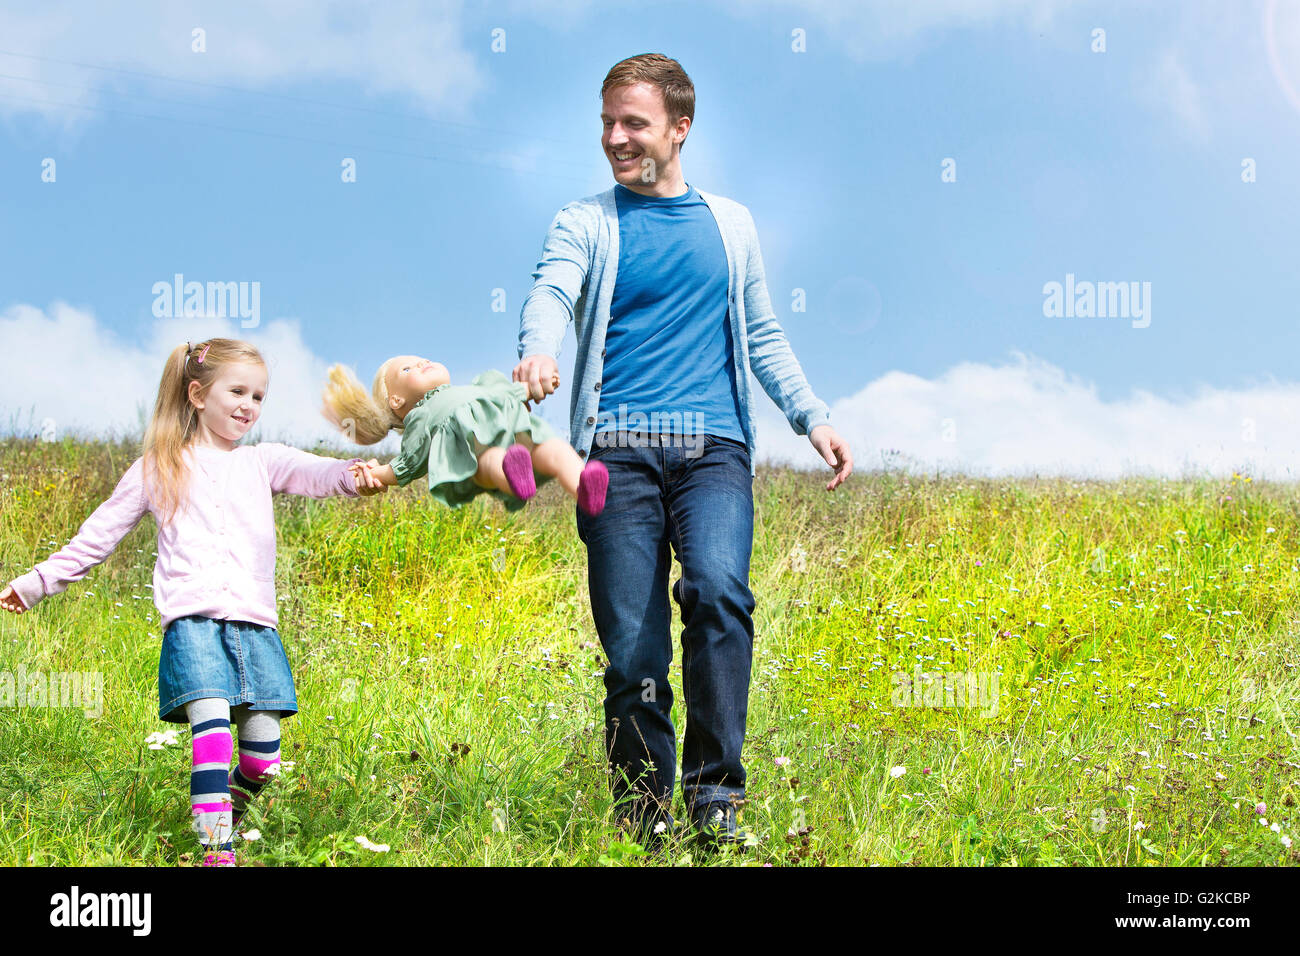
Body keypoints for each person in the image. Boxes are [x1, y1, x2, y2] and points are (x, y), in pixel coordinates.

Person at [514, 53, 853, 848]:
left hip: (713, 451)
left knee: (718, 594)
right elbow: (552, 289)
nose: (615, 138)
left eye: (633, 123)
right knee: (633, 649)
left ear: (679, 127)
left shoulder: (730, 224)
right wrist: (537, 348)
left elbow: (762, 333)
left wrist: (812, 415)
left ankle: (714, 801)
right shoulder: (585, 220)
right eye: (606, 123)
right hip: (615, 456)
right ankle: (641, 822)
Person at [0, 338, 386, 867]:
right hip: (194, 627)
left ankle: (225, 806)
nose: (250, 405)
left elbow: (321, 473)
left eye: (259, 396)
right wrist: (36, 582)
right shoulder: (158, 466)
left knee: (262, 760)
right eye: (238, 391)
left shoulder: (263, 461)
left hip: (256, 630)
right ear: (198, 394)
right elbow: (98, 537)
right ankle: (215, 852)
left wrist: (362, 478)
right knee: (211, 736)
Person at [320, 356, 607, 515]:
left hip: (516, 431)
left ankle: (585, 487)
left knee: (555, 449)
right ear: (396, 401)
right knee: (492, 458)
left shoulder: (473, 388)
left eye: (420, 359)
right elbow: (408, 463)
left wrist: (531, 388)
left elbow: (505, 393)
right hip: (473, 456)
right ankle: (515, 476)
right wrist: (378, 473)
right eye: (407, 368)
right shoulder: (421, 416)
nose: (421, 362)